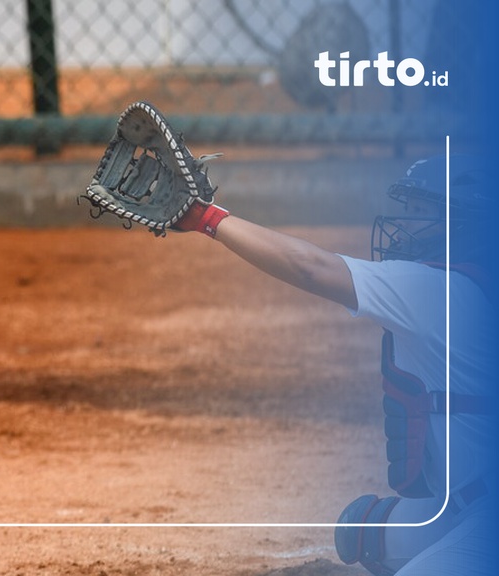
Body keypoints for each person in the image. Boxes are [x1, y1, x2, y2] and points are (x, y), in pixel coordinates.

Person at [171, 154, 495, 575]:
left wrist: (207, 218)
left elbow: (310, 267)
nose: (406, 225)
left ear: (465, 223)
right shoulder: (467, 285)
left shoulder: (436, 290)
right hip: (466, 505)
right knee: (362, 531)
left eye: (422, 213)